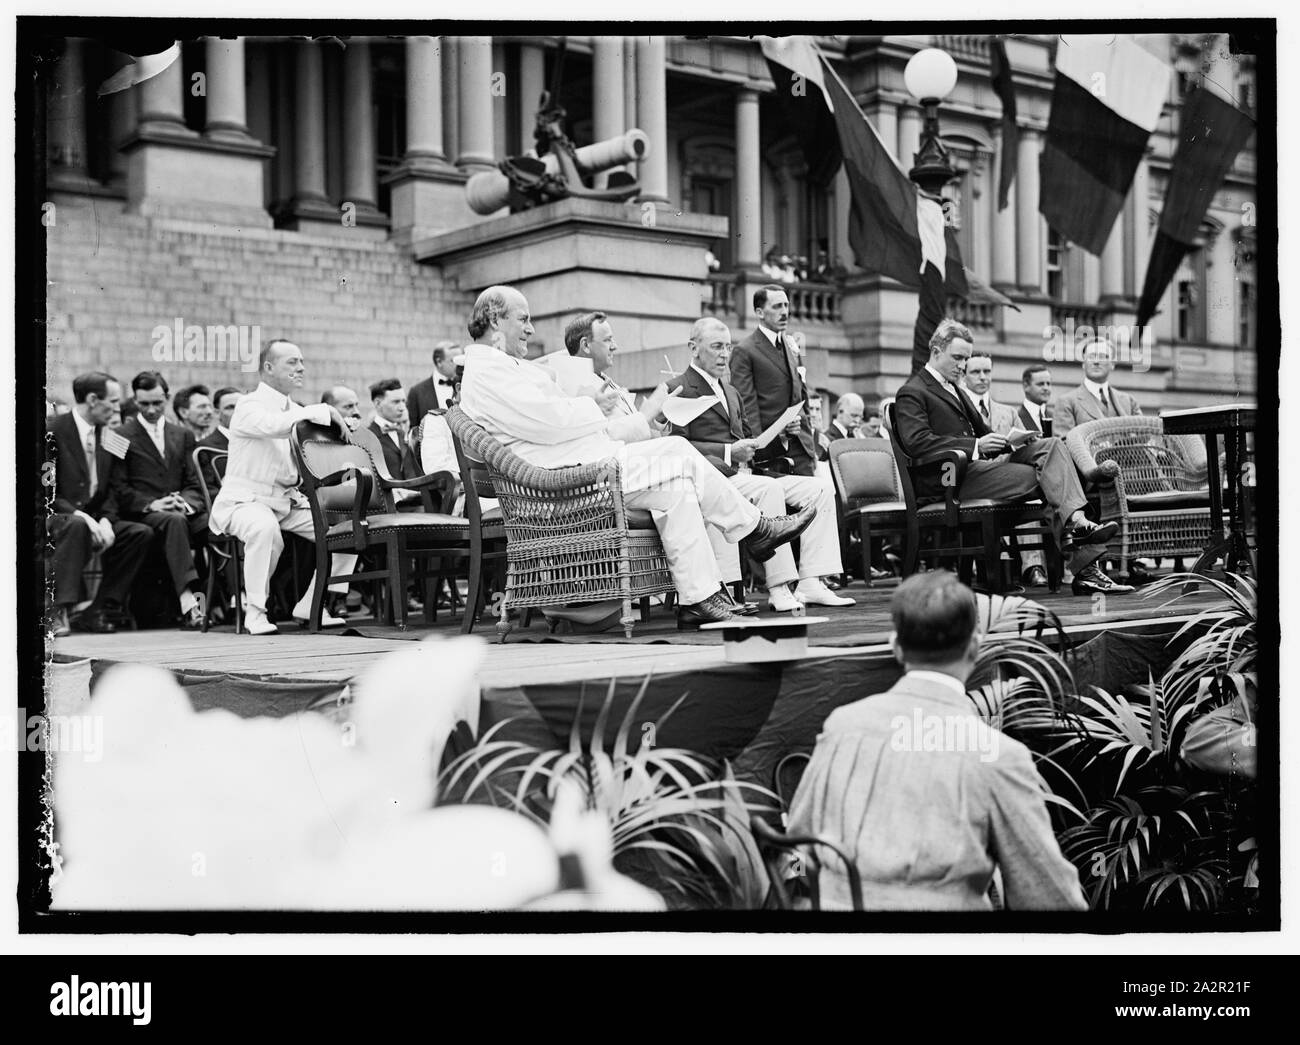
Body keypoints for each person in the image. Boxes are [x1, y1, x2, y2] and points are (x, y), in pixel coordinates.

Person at [457, 285, 816, 627]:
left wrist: (598, 410)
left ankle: (699, 600)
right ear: (494, 319)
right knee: (677, 449)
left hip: (579, 464)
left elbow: (549, 419)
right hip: (561, 478)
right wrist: (591, 404)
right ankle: (755, 529)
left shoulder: (501, 367)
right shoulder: (489, 370)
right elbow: (548, 422)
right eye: (522, 319)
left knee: (677, 490)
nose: (530, 328)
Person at [787, 572, 1089, 911]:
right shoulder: (999, 755)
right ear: (975, 647)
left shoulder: (843, 726)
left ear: (896, 647)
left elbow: (798, 846)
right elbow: (1045, 894)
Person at [893, 319, 1133, 596]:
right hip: (949, 480)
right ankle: (1086, 562)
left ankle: (1077, 523)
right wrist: (975, 445)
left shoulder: (954, 388)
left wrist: (1012, 440)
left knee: (1052, 445)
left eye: (966, 358)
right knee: (1051, 477)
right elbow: (917, 443)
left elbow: (986, 435)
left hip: (974, 471)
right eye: (957, 358)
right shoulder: (913, 391)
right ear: (936, 351)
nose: (962, 365)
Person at [667, 317, 852, 611]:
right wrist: (729, 452)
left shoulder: (731, 392)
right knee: (769, 490)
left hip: (747, 475)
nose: (724, 354)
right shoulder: (677, 388)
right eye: (716, 347)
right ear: (694, 348)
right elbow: (676, 447)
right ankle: (779, 587)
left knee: (820, 489)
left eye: (727, 347)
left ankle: (812, 581)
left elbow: (753, 445)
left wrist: (780, 439)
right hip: (714, 479)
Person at [208, 339, 359, 635]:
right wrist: (323, 410)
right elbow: (274, 426)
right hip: (245, 501)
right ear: (268, 367)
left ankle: (312, 604)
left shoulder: (299, 409)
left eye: (302, 361)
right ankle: (255, 612)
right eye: (292, 362)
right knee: (264, 529)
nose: (301, 367)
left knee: (350, 531)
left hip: (287, 501)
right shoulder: (247, 404)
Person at [44, 372, 152, 635]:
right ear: (92, 399)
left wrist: (105, 518)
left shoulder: (113, 438)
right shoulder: (51, 431)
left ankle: (97, 608)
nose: (118, 408)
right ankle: (56, 610)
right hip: (56, 515)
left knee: (139, 534)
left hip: (94, 518)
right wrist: (84, 516)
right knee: (77, 525)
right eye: (113, 401)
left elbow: (113, 490)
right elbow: (45, 491)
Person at [112, 371, 210, 629]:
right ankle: (189, 601)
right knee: (175, 521)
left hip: (180, 509)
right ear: (135, 400)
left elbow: (193, 482)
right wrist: (152, 504)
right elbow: (118, 487)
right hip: (145, 513)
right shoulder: (118, 435)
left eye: (157, 403)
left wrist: (185, 502)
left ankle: (237, 598)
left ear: (166, 397)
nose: (152, 410)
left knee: (219, 523)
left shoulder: (183, 435)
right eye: (144, 404)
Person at [729, 284, 819, 480]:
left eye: (786, 305)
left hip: (802, 448)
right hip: (771, 452)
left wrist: (810, 444)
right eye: (777, 306)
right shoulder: (745, 350)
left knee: (816, 504)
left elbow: (802, 396)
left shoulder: (791, 345)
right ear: (760, 312)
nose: (785, 312)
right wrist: (760, 450)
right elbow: (746, 408)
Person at [1052, 335, 1143, 438]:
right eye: (1091, 356)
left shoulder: (1129, 402)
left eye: (1102, 356)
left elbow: (1144, 437)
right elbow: (1063, 444)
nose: (1096, 362)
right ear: (1083, 363)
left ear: (1112, 364)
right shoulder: (1067, 402)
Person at [961, 349, 1016, 436]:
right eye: (975, 372)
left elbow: (1026, 445)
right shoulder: (958, 409)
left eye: (987, 371)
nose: (982, 377)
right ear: (963, 375)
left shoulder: (1010, 413)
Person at [366, 378, 410, 479]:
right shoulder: (369, 437)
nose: (402, 407)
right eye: (396, 402)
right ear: (377, 403)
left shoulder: (404, 433)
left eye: (403, 401)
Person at [407, 340, 461, 419]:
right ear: (439, 362)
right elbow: (413, 427)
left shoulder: (466, 387)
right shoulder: (417, 392)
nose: (459, 365)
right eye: (453, 361)